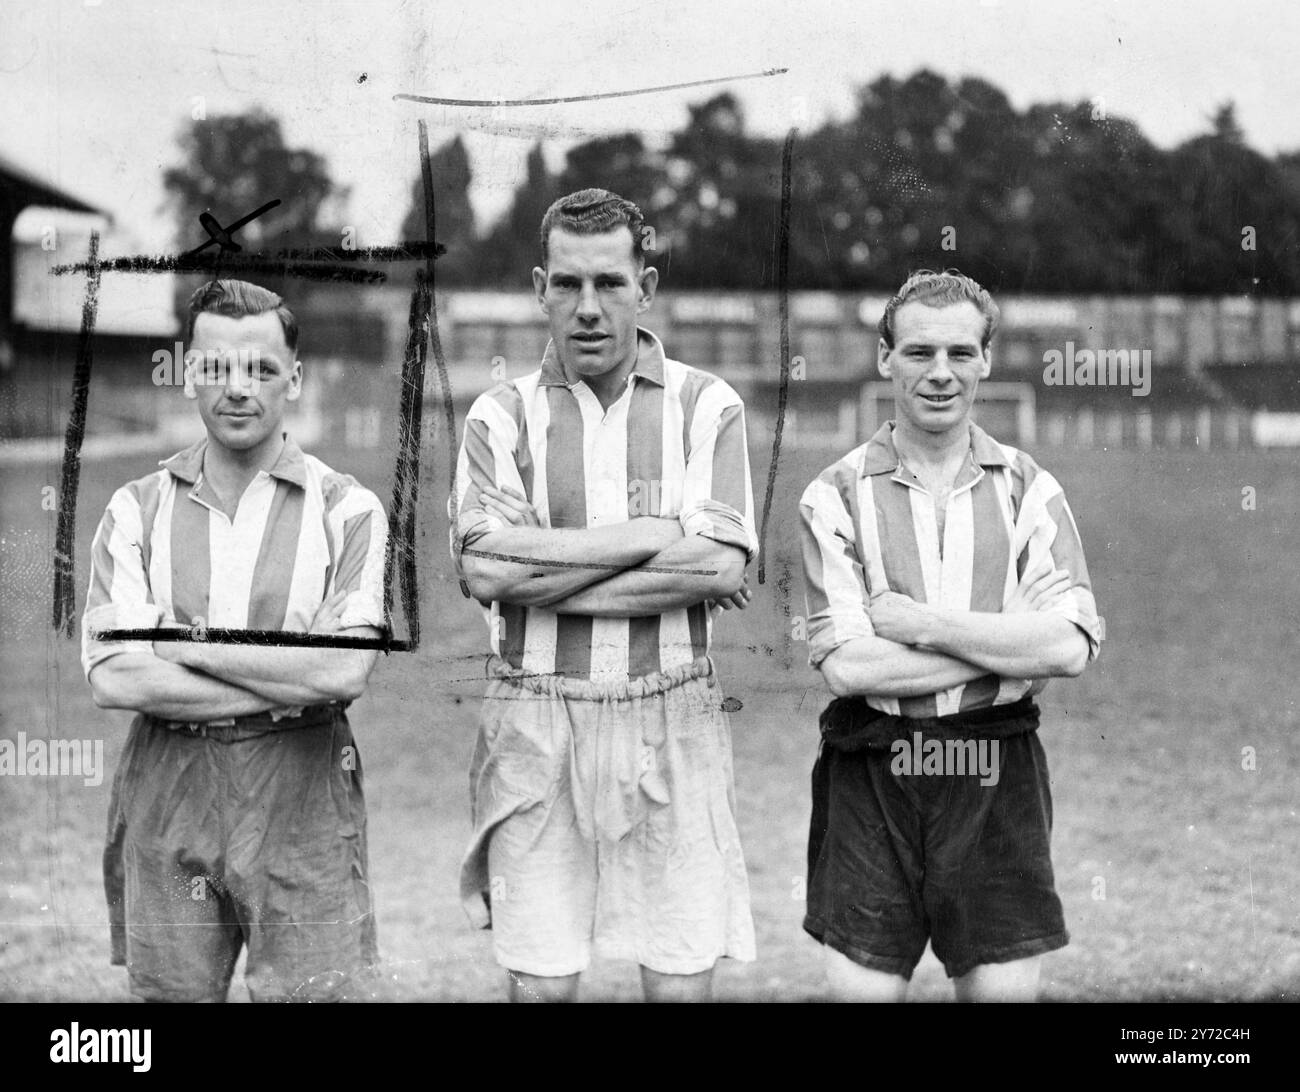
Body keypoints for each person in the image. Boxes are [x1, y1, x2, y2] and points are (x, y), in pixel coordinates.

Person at [452, 188, 757, 1002]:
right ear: (539, 288)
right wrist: (651, 533)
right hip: (535, 712)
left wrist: (542, 573)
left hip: (674, 709)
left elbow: (719, 571)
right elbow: (487, 573)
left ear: (645, 287)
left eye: (610, 284)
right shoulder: (499, 417)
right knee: (542, 986)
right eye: (567, 284)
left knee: (680, 979)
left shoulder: (707, 405)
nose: (588, 308)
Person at [798, 269, 1102, 1002]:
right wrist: (1004, 643)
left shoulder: (1032, 490)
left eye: (961, 354)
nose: (941, 374)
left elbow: (1068, 648)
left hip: (995, 768)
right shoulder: (832, 495)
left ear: (987, 361)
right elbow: (848, 666)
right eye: (920, 353)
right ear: (884, 358)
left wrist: (923, 624)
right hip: (872, 768)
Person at [82, 279, 389, 1002]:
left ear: (296, 378)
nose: (238, 388)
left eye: (261, 369)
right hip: (170, 782)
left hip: (303, 785)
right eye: (216, 367)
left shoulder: (348, 510)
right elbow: (112, 677)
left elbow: (341, 674)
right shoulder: (135, 509)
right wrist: (284, 665)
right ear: (189, 372)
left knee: (312, 996)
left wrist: (179, 639)